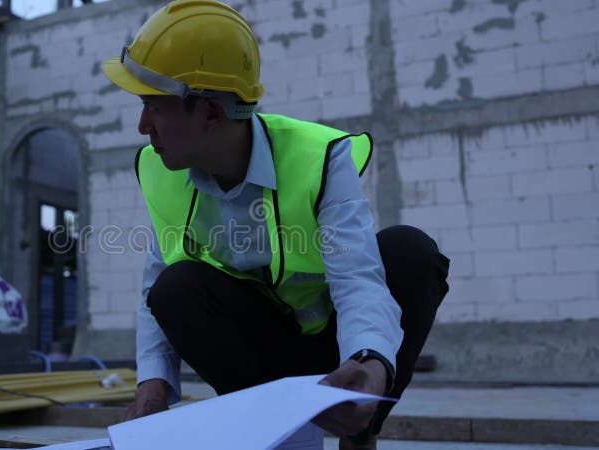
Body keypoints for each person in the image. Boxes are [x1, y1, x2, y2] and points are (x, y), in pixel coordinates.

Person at [101, 1, 450, 448]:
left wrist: (369, 360)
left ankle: (360, 425)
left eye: (154, 105)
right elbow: (155, 285)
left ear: (211, 112)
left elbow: (358, 278)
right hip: (260, 355)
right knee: (174, 288)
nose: (142, 126)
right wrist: (151, 388)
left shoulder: (318, 158)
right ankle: (274, 431)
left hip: (335, 346)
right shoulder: (164, 172)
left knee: (410, 252)